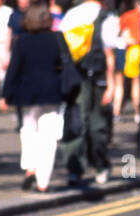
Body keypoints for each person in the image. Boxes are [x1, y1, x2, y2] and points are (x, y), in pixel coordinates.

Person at [0, 0, 64, 191]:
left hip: (27, 93)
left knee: (28, 131)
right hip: (52, 92)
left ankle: (30, 167)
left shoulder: (23, 41)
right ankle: (43, 181)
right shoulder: (57, 39)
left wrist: (5, 95)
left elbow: (14, 69)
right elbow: (66, 65)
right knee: (48, 137)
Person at [59, 0, 116, 186]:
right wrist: (112, 85)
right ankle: (100, 167)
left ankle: (74, 170)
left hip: (75, 78)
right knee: (97, 125)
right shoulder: (107, 18)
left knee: (76, 123)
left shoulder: (71, 15)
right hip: (98, 78)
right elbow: (110, 56)